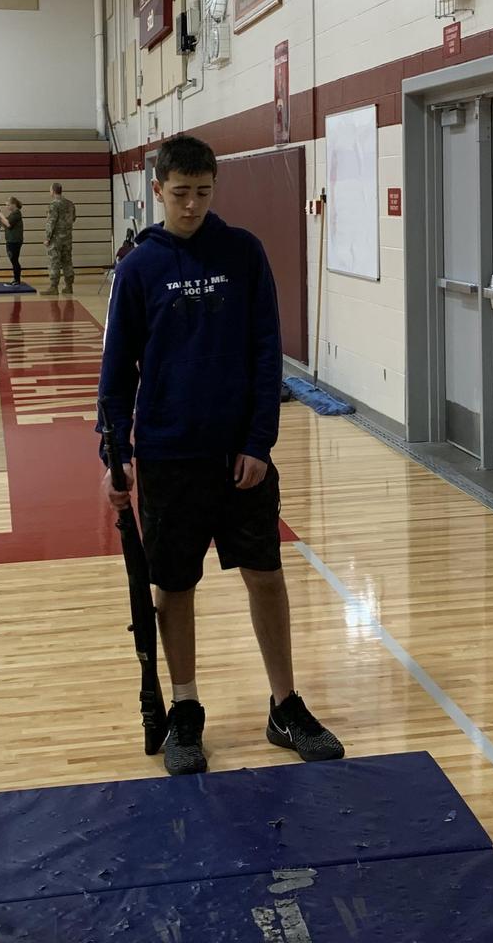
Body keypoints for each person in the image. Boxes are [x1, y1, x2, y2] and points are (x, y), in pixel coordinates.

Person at [96, 134, 342, 776]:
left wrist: (258, 442)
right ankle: (185, 707)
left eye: (203, 192)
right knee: (174, 585)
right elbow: (115, 372)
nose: (192, 205)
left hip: (240, 458)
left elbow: (267, 352)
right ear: (157, 190)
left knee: (266, 574)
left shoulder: (242, 252)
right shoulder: (138, 269)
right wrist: (114, 453)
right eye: (180, 193)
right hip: (168, 456)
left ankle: (284, 704)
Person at [44, 181, 77, 295]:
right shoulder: (70, 204)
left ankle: (53, 287)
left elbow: (51, 222)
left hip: (56, 239)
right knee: (67, 261)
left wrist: (48, 238)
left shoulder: (54, 205)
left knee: (54, 262)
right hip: (67, 238)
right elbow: (73, 218)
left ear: (53, 191)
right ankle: (69, 286)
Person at [0, 196, 25, 286]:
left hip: (14, 240)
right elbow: (6, 225)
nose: (7, 207)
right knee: (13, 260)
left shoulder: (16, 214)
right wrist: (0, 221)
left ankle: (17, 280)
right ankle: (16, 279)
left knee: (14, 260)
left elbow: (8, 224)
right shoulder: (12, 214)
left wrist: (1, 215)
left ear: (14, 205)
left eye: (8, 205)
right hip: (11, 240)